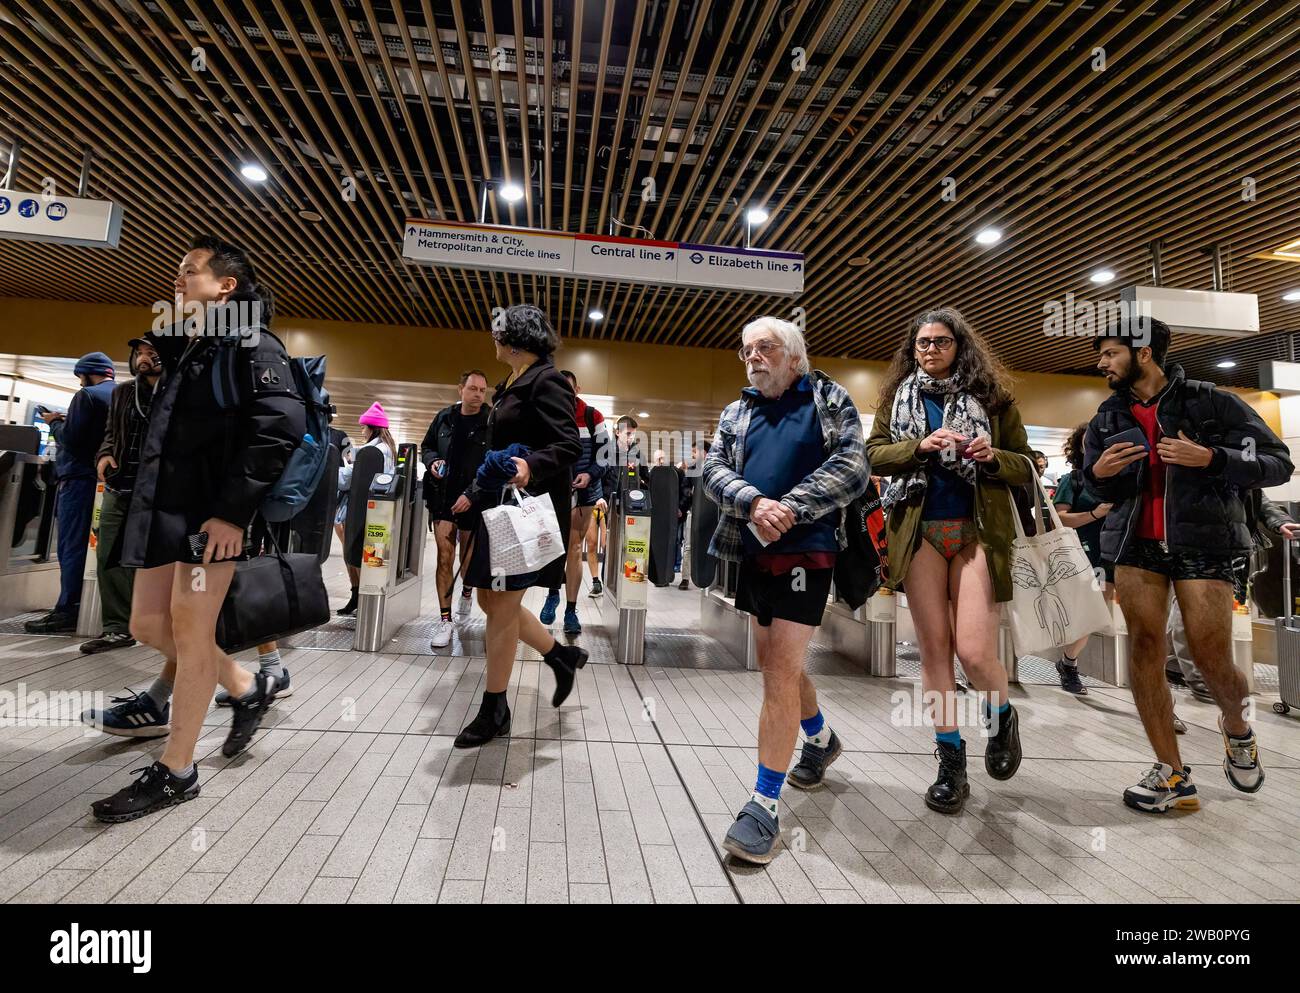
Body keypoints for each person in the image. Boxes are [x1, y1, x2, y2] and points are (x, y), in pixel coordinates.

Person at [90, 235, 306, 823]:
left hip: (213, 519)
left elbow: (280, 425)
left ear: (226, 286)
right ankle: (244, 685)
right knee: (146, 622)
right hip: (169, 510)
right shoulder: (196, 346)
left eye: (190, 271)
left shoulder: (253, 343)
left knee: (189, 632)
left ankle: (177, 770)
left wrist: (234, 512)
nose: (178, 279)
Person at [1083, 318, 1291, 813]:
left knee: (1211, 652)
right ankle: (1172, 772)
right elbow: (1093, 487)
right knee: (1145, 650)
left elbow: (1277, 460)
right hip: (1134, 546)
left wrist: (1212, 458)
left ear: (1145, 353)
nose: (1102, 363)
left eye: (1111, 353)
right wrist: (1098, 473)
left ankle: (1238, 729)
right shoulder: (1108, 416)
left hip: (1205, 543)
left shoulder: (1211, 401)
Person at [703, 317, 868, 864]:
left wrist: (790, 507)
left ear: (793, 355)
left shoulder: (828, 396)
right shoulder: (737, 410)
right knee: (780, 662)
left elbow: (852, 467)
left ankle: (762, 807)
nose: (753, 357)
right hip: (753, 549)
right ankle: (820, 739)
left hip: (808, 549)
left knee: (776, 674)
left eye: (765, 347)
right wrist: (753, 502)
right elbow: (713, 468)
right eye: (746, 349)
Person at [866, 307, 1032, 816]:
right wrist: (918, 447)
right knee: (935, 653)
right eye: (922, 343)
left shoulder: (994, 399)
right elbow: (873, 455)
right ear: (912, 349)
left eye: (941, 341)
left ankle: (1001, 717)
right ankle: (950, 761)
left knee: (976, 654)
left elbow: (1026, 465)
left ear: (960, 345)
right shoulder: (897, 398)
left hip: (977, 533)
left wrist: (992, 456)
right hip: (918, 533)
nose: (931, 350)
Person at [453, 304, 586, 749]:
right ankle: (559, 655)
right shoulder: (511, 383)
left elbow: (567, 444)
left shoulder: (546, 379)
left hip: (524, 510)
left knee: (503, 606)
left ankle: (495, 708)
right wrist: (476, 488)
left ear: (515, 339)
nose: (493, 340)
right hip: (501, 505)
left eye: (498, 333)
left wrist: (531, 464)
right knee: (492, 602)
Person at [79, 339, 161, 654]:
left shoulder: (178, 393)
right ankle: (117, 628)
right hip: (119, 485)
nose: (144, 358)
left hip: (158, 491)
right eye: (139, 353)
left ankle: (157, 625)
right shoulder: (123, 392)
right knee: (109, 555)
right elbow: (110, 433)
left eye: (151, 353)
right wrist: (104, 455)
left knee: (156, 559)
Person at [25, 352, 116, 634]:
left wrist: (54, 423)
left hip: (78, 480)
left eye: (80, 376)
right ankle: (96, 609)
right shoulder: (122, 393)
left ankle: (67, 610)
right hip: (106, 482)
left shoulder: (86, 395)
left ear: (86, 373)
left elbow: (72, 440)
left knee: (71, 545)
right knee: (98, 548)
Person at [421, 370, 491, 647]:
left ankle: (467, 591)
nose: (477, 394)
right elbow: (426, 446)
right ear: (460, 389)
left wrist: (472, 493)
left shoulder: (490, 420)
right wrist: (433, 461)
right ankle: (445, 620)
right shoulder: (444, 418)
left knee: (468, 558)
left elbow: (493, 464)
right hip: (443, 497)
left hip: (474, 499)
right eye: (472, 388)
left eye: (482, 390)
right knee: (444, 556)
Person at [538, 370, 609, 634]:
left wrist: (589, 474)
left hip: (585, 490)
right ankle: (553, 592)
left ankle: (569, 610)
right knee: (555, 546)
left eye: (569, 389)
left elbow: (605, 455)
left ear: (577, 389)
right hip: (555, 490)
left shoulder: (593, 416)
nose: (565, 395)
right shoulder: (547, 416)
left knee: (574, 547)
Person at [1051, 423, 1115, 695]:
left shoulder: (1118, 479)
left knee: (1097, 613)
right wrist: (1094, 514)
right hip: (1081, 554)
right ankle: (1069, 663)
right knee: (1090, 612)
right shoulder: (1074, 479)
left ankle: (1068, 662)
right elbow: (1059, 517)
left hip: (1114, 552)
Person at [333, 404, 396, 616]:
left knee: (355, 553)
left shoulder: (372, 452)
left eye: (363, 428)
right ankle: (361, 598)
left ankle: (361, 598)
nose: (361, 432)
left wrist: (330, 468)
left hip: (363, 512)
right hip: (380, 514)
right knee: (367, 557)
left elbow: (346, 479)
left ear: (372, 428)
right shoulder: (388, 451)